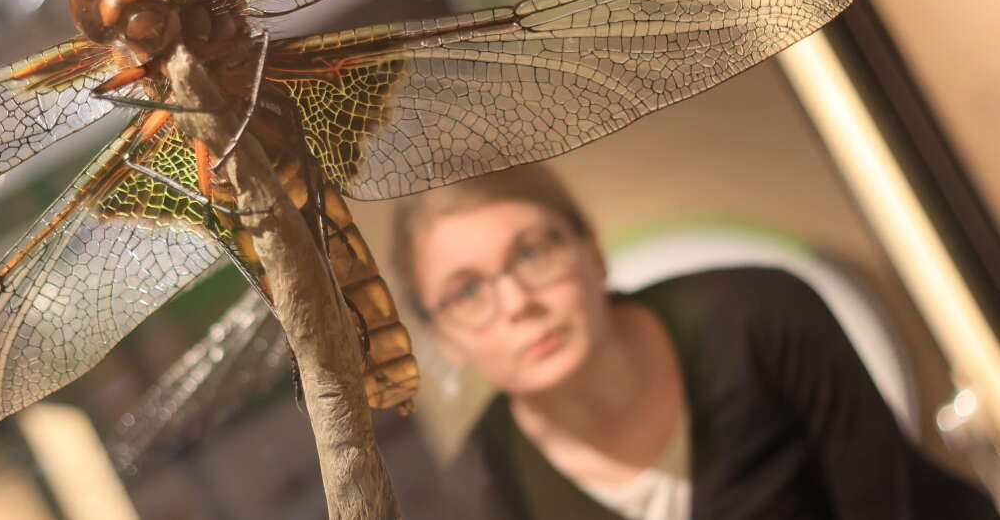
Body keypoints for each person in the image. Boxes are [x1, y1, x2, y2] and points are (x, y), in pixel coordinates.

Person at [390, 163, 998, 519]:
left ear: (591, 250)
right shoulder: (487, 484)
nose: (519, 303)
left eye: (532, 253)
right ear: (443, 335)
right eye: (467, 292)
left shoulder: (754, 316)